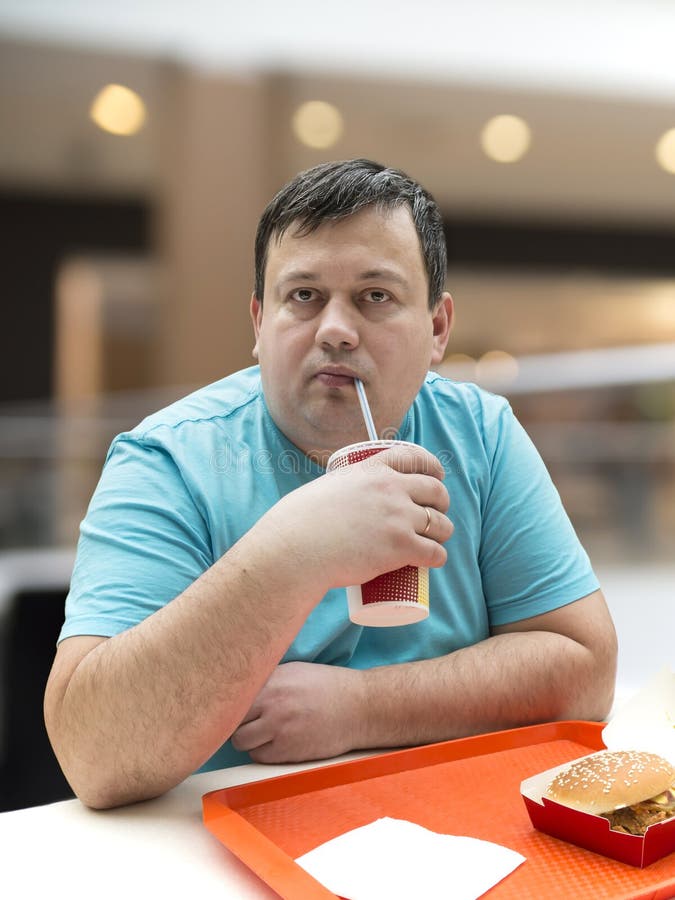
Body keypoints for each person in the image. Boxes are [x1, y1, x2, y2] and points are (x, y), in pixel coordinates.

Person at [44, 159, 618, 809]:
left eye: (375, 296)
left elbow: (584, 670)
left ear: (436, 329)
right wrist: (289, 553)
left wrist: (361, 707)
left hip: (457, 821)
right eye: (303, 296)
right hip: (226, 841)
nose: (336, 330)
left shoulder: (477, 432)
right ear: (260, 324)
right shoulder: (167, 459)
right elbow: (92, 756)